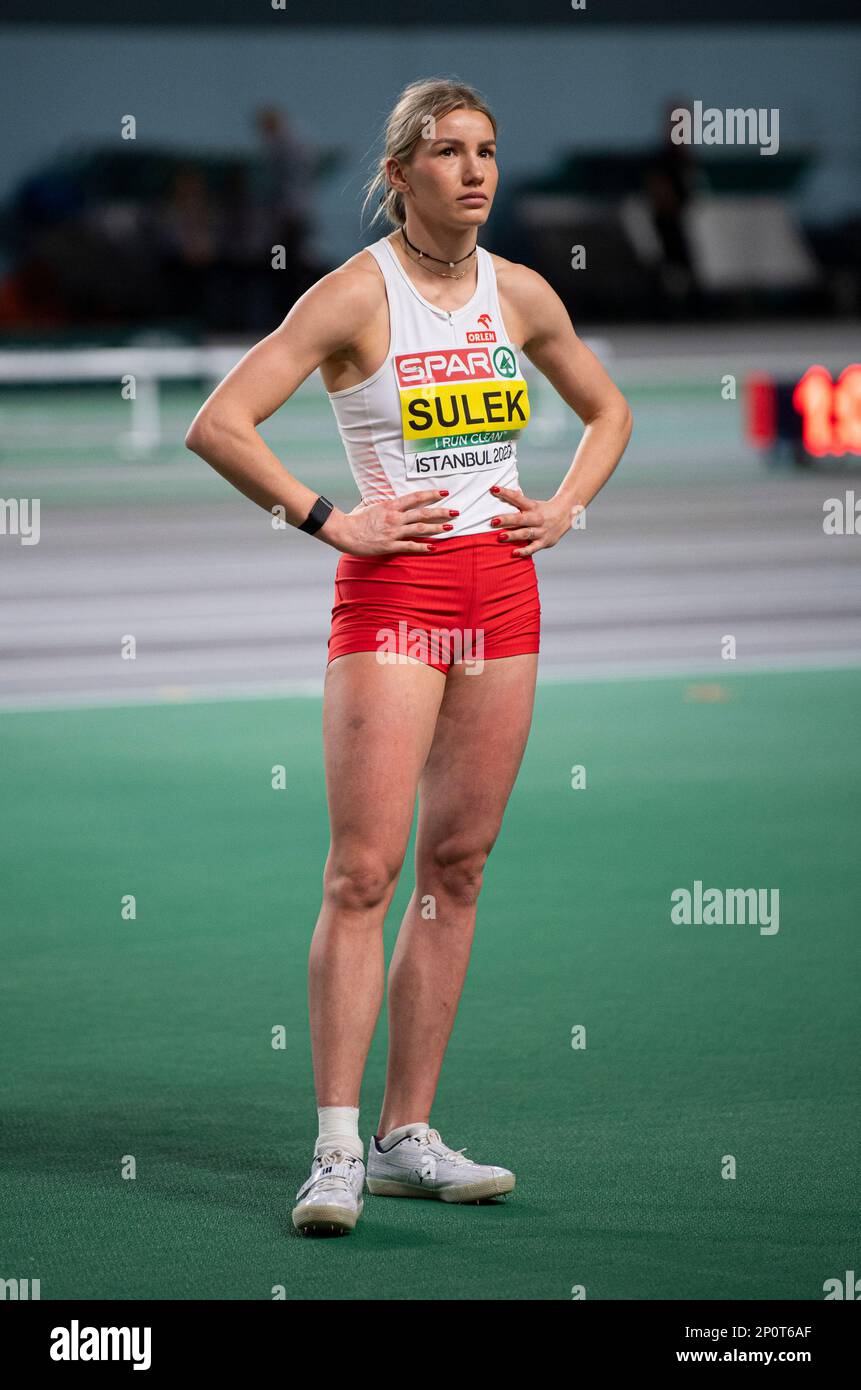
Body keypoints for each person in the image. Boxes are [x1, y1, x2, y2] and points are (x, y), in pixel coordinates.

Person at [185, 77, 632, 1236]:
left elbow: (608, 413)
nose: (476, 171)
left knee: (462, 867)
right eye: (449, 153)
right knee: (363, 875)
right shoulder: (353, 297)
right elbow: (220, 424)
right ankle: (334, 1149)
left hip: (504, 595)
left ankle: (406, 1137)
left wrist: (566, 508)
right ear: (401, 175)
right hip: (395, 596)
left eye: (489, 150)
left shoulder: (521, 292)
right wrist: (329, 518)